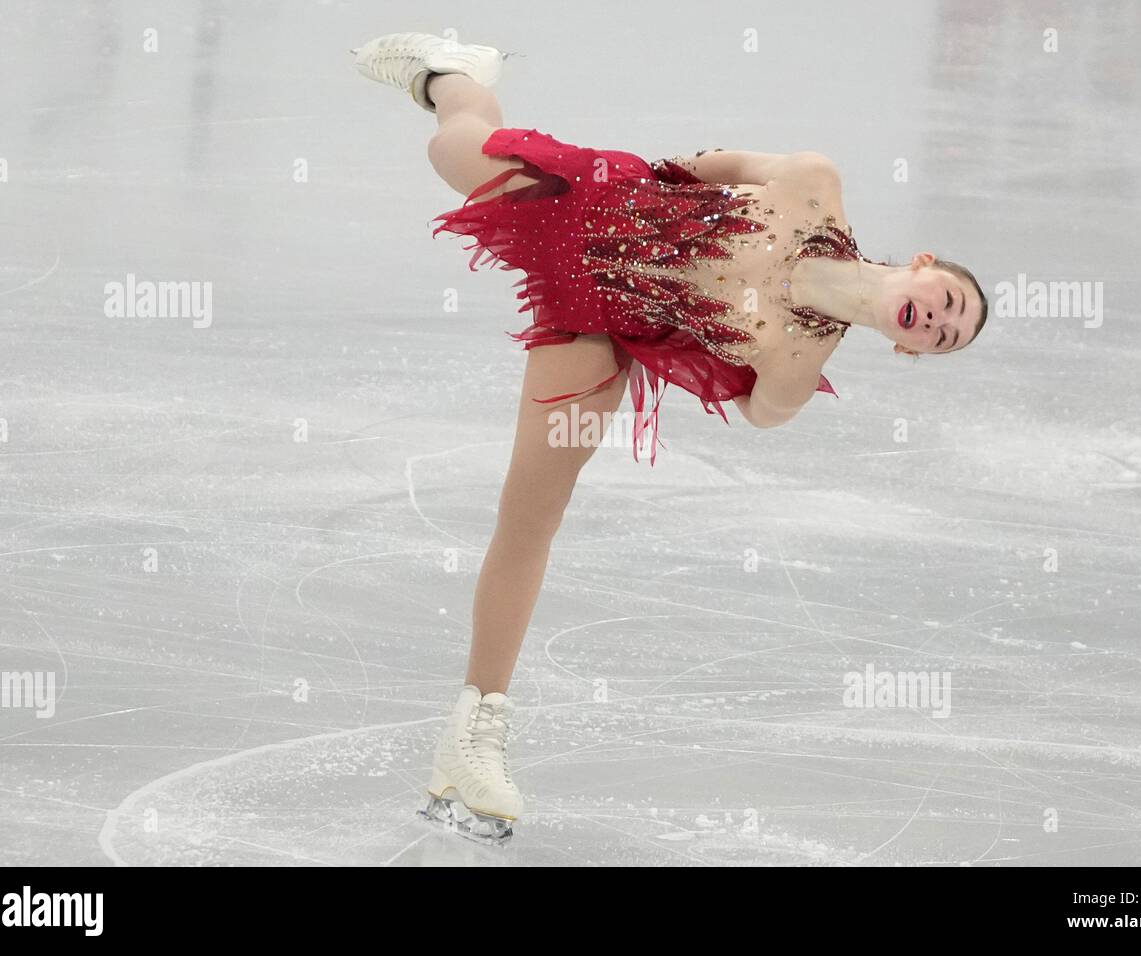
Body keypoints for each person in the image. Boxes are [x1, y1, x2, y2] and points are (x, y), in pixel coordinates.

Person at [353, 32, 988, 844]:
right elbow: (712, 165)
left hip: (593, 326)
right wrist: (661, 200)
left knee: (529, 518)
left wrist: (700, 339)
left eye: (943, 337)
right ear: (925, 265)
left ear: (909, 349)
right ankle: (453, 74)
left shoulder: (800, 363)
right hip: (588, 200)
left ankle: (475, 735)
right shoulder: (813, 182)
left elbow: (760, 411)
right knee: (453, 145)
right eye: (947, 301)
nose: (937, 319)